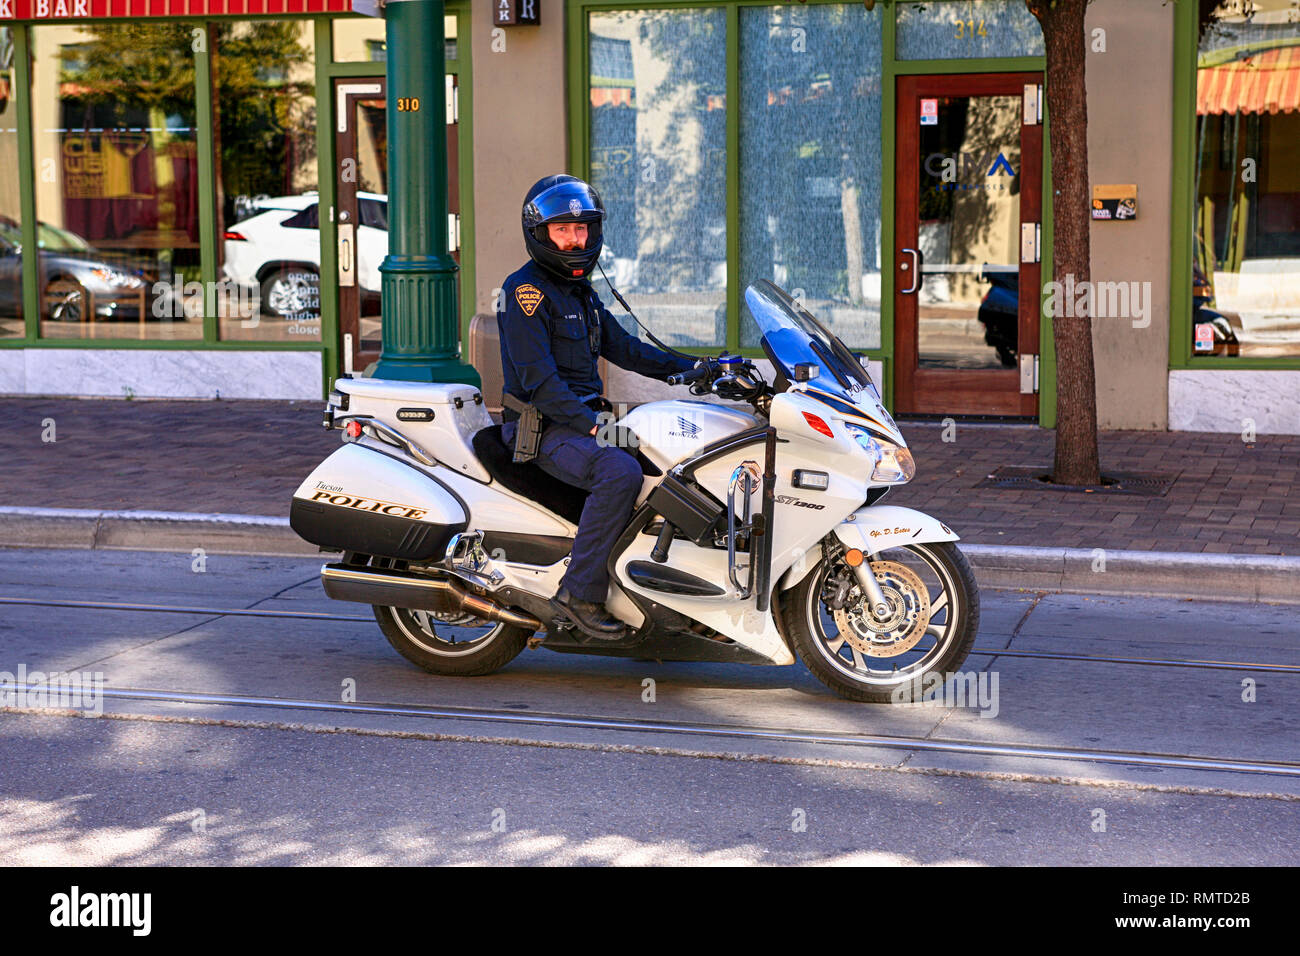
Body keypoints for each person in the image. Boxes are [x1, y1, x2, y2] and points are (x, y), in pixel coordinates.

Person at [497, 174, 696, 641]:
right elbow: (539, 383)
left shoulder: (581, 292)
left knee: (669, 460)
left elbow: (626, 349)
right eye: (563, 230)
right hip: (544, 428)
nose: (575, 238)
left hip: (584, 420)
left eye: (582, 228)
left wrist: (695, 370)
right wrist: (593, 426)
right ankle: (579, 594)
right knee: (619, 472)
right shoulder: (524, 292)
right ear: (540, 233)